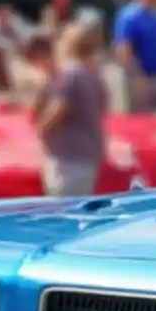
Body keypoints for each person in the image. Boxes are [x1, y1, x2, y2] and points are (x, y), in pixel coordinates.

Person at [38, 26, 109, 197]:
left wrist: (42, 130)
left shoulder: (70, 76)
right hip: (89, 153)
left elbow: (59, 109)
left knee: (62, 203)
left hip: (67, 155)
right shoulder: (95, 76)